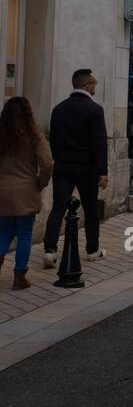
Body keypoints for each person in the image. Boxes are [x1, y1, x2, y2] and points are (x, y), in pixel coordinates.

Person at [43, 69, 109, 261]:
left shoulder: (58, 109)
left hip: (63, 166)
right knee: (90, 209)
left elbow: (53, 140)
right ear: (87, 84)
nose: (96, 85)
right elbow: (99, 142)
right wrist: (102, 171)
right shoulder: (95, 110)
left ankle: (50, 250)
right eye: (94, 82)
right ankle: (92, 250)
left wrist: (60, 158)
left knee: (58, 207)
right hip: (86, 168)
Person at [0, 97, 53, 288]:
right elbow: (47, 164)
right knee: (24, 235)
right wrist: (41, 183)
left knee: (3, 233)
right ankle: (19, 277)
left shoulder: (2, 136)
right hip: (26, 190)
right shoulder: (34, 136)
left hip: (3, 191)